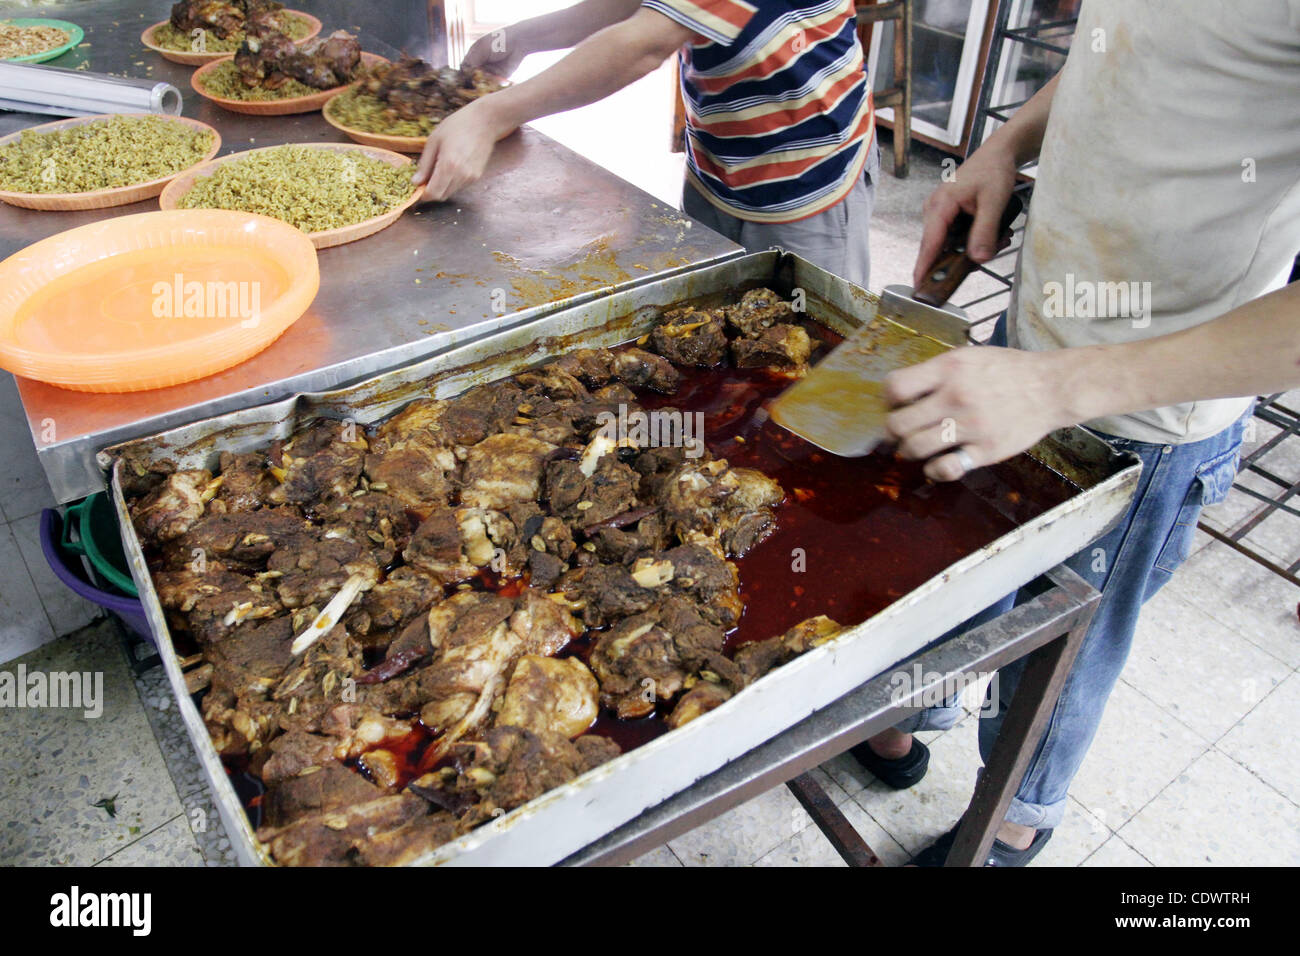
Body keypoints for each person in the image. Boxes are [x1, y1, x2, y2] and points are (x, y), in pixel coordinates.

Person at [853, 0, 1300, 865]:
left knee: (1058, 659)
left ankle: (1016, 819)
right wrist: (1004, 145)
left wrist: (1062, 384)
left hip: (1145, 422)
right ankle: (912, 718)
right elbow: (1126, 52)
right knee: (949, 569)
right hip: (1025, 357)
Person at [413, 0, 881, 288]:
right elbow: (637, 6)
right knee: (718, 319)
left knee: (806, 345)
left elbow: (643, 44)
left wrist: (491, 114)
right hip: (720, 158)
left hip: (808, 174)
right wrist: (517, 38)